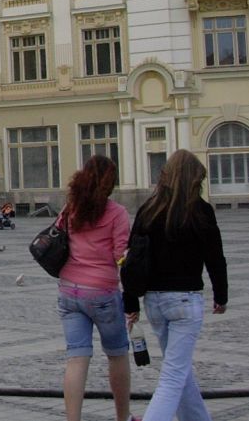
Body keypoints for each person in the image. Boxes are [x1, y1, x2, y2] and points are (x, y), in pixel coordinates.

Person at [123, 149, 227, 421]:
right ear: (194, 179)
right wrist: (221, 295)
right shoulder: (201, 211)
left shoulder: (148, 210)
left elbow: (132, 258)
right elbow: (215, 258)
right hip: (184, 302)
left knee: (179, 371)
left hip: (155, 302)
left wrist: (131, 302)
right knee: (173, 376)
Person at [56, 155, 135, 421]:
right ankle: (123, 417)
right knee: (117, 354)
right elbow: (120, 256)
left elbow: (59, 236)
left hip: (69, 291)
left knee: (76, 358)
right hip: (102, 292)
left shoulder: (70, 208)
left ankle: (72, 419)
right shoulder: (117, 213)